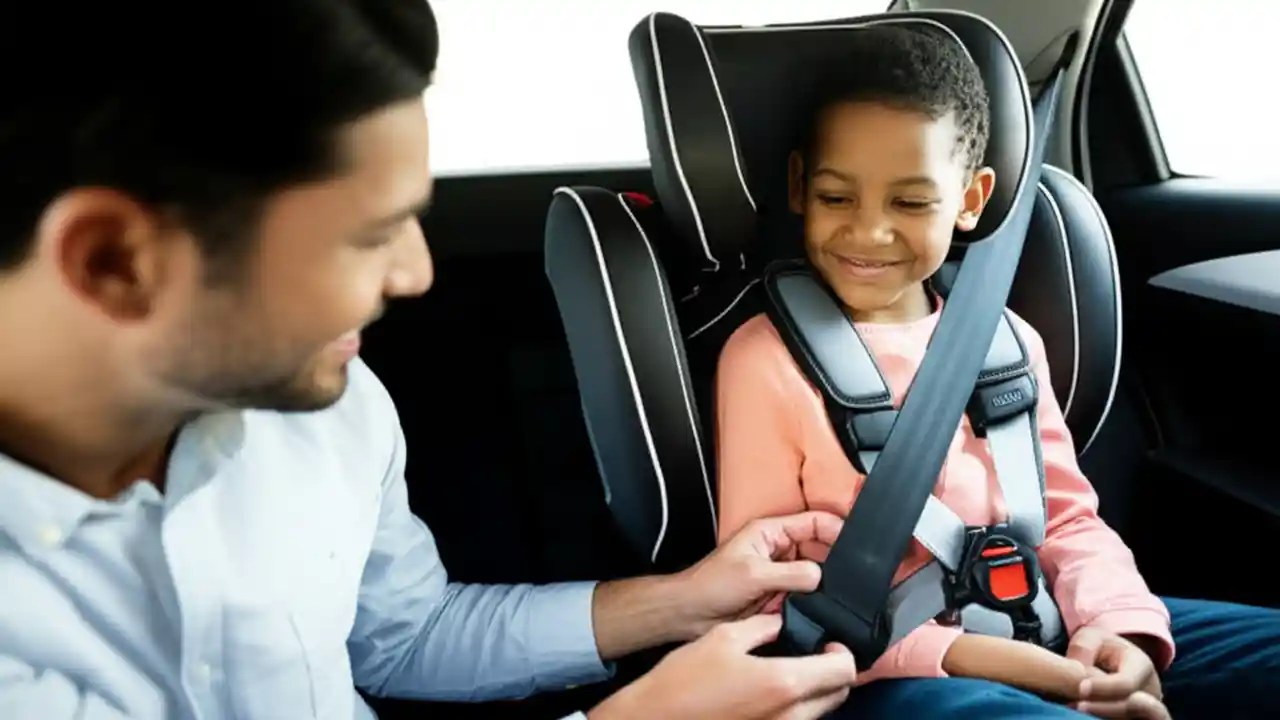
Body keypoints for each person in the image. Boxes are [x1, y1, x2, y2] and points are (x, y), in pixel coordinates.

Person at [0, 2, 861, 719]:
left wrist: (681, 600)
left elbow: (404, 637)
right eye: (369, 236)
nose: (415, 274)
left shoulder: (332, 411)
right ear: (115, 261)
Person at [713, 23, 1280, 720]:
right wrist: (1002, 664)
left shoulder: (1006, 342)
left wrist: (1119, 631)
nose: (868, 232)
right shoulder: (764, 361)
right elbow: (767, 594)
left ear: (972, 199)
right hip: (876, 670)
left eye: (912, 202)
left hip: (1045, 619)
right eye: (838, 198)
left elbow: (1069, 522)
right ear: (801, 185)